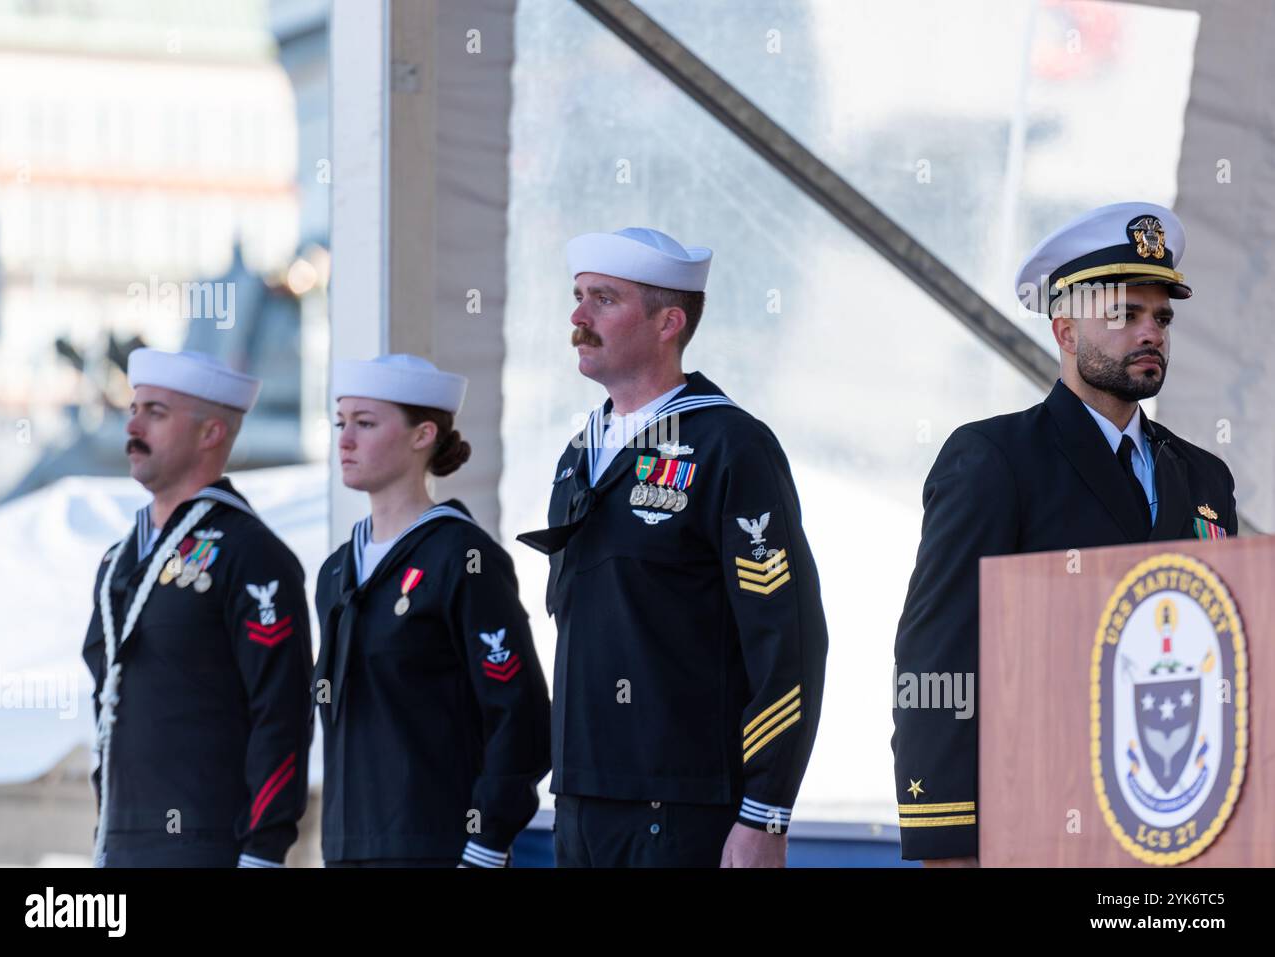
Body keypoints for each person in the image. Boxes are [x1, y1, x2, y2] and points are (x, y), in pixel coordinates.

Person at [891, 202, 1239, 864]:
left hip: (1181, 832)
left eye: (1161, 317)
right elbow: (936, 664)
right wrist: (947, 839)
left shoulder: (1203, 477)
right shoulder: (995, 459)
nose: (1151, 332)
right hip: (1039, 828)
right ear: (1065, 329)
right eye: (1124, 314)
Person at [518, 227, 828, 867]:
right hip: (581, 799)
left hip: (683, 808)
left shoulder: (730, 446)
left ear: (668, 322)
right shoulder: (577, 455)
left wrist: (765, 810)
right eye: (578, 296)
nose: (578, 317)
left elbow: (787, 638)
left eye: (603, 299)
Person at [314, 354, 551, 868]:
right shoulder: (336, 572)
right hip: (348, 850)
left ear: (423, 435)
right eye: (341, 423)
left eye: (366, 423)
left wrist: (486, 845)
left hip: (440, 849)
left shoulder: (462, 557)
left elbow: (520, 714)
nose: (345, 440)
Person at [83, 348, 314, 867]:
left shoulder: (251, 553)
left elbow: (281, 714)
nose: (134, 424)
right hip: (122, 845)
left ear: (211, 433)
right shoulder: (118, 559)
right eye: (133, 408)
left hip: (212, 849)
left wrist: (263, 852)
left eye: (156, 412)